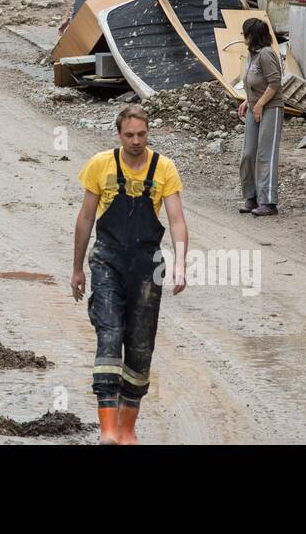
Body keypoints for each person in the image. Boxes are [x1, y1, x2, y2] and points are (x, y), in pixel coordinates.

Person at [71, 105, 188, 444]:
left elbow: (177, 219)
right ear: (119, 135)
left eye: (142, 134)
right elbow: (85, 218)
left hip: (146, 267)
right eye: (129, 135)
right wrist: (77, 268)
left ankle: (127, 429)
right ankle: (107, 429)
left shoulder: (164, 168)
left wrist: (180, 262)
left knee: (139, 346)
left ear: (148, 133)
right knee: (109, 334)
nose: (136, 141)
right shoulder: (100, 164)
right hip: (107, 260)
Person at [238, 18, 284, 217]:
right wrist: (247, 101)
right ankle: (251, 197)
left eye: (245, 33)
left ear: (253, 35)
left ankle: (268, 202)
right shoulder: (251, 55)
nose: (243, 37)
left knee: (266, 155)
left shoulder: (266, 54)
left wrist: (259, 104)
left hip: (270, 108)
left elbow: (275, 83)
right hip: (254, 106)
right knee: (248, 154)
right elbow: (253, 83)